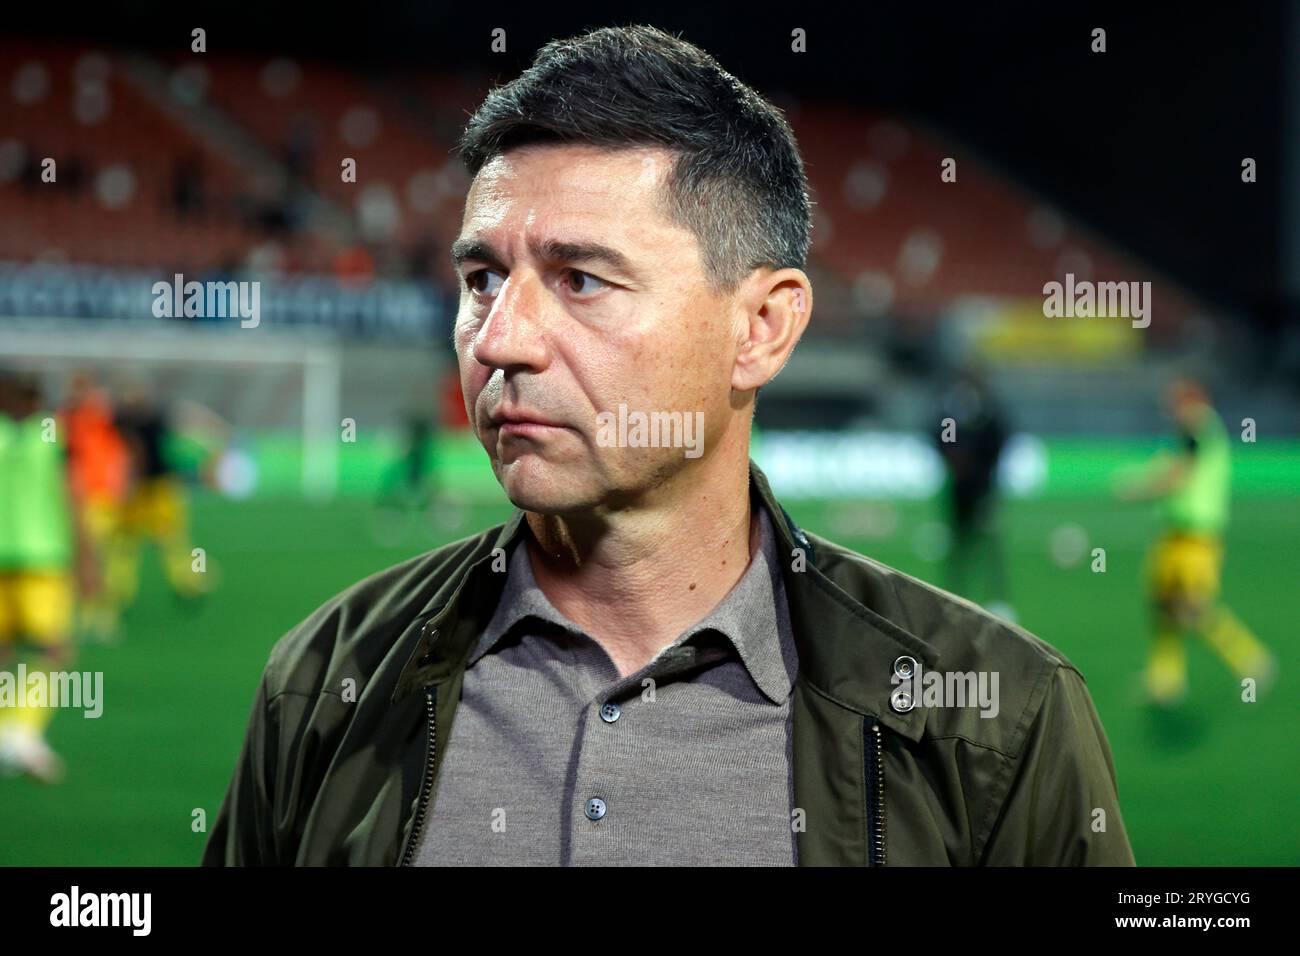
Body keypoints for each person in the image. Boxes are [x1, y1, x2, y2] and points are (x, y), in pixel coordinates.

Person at [205, 24, 1134, 866]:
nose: (498, 339)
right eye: (483, 277)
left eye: (580, 279)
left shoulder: (998, 719)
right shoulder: (328, 681)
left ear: (762, 328)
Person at [1117, 376, 1277, 706]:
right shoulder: (1195, 434)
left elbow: (1178, 476)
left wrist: (1141, 488)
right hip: (1175, 534)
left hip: (1196, 536)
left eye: (1175, 402)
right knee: (1163, 606)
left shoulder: (1198, 428)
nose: (1171, 410)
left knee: (1193, 609)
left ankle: (1252, 660)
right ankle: (1166, 680)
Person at [0, 372, 98, 782]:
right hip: (42, 559)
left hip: (23, 558)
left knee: (9, 651)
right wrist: (88, 558)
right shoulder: (52, 439)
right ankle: (20, 730)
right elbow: (71, 498)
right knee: (53, 650)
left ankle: (12, 730)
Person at [933, 367, 1011, 617]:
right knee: (960, 542)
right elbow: (939, 436)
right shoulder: (953, 412)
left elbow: (999, 440)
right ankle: (956, 592)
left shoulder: (985, 413)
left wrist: (981, 467)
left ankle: (995, 597)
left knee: (987, 543)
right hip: (960, 488)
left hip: (981, 486)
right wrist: (952, 459)